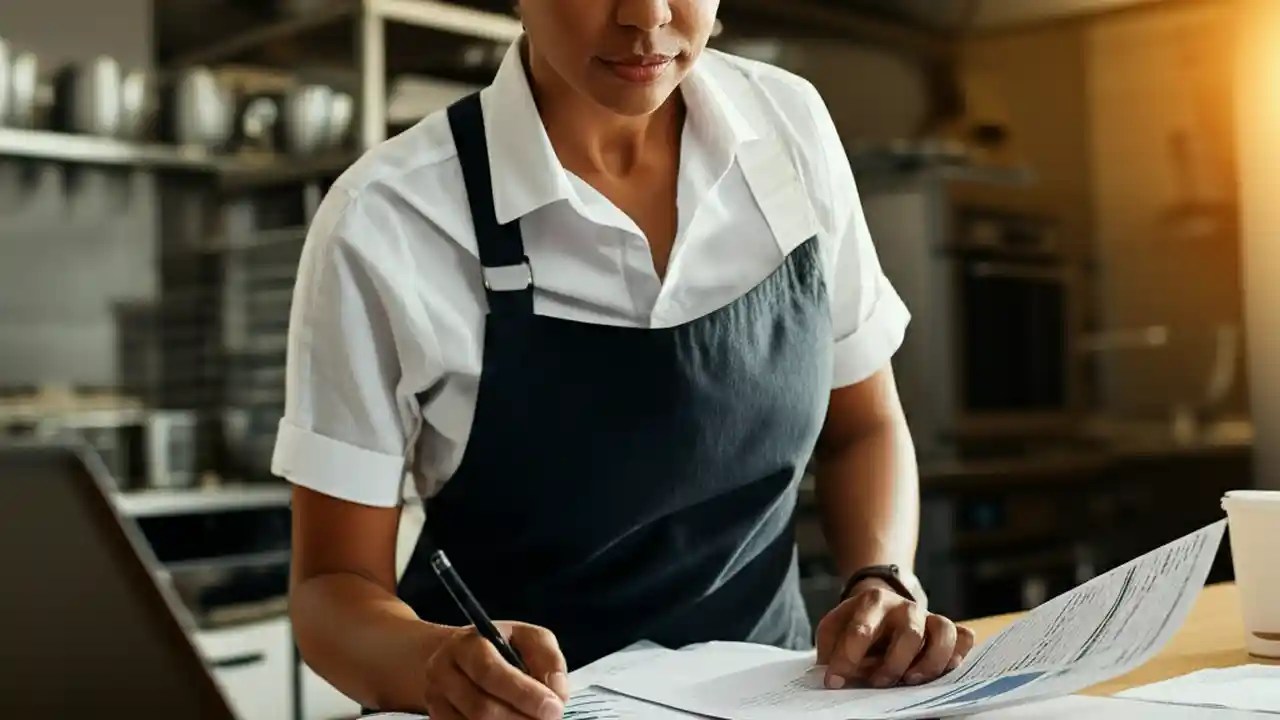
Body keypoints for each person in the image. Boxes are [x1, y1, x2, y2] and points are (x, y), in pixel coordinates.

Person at [276, 0, 976, 717]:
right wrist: (431, 664)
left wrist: (884, 580)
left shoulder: (788, 128)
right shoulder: (387, 217)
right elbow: (331, 588)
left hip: (777, 700)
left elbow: (863, 425)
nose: (648, 15)